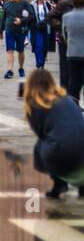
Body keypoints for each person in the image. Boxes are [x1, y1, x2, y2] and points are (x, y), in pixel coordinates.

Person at [24, 68, 84, 199]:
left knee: (41, 146)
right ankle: (81, 183)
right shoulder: (66, 99)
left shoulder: (36, 105)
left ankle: (59, 182)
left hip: (59, 151)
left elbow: (39, 132)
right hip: (82, 148)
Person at [3, 0, 35, 79]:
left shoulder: (24, 3)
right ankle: (10, 70)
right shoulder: (7, 3)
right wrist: (1, 30)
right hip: (9, 30)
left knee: (20, 51)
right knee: (10, 50)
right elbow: (3, 17)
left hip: (21, 31)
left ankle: (21, 68)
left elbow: (32, 15)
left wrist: (21, 20)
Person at [61, 0, 84, 101]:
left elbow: (64, 35)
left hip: (71, 52)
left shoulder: (66, 17)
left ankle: (74, 103)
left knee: (73, 80)